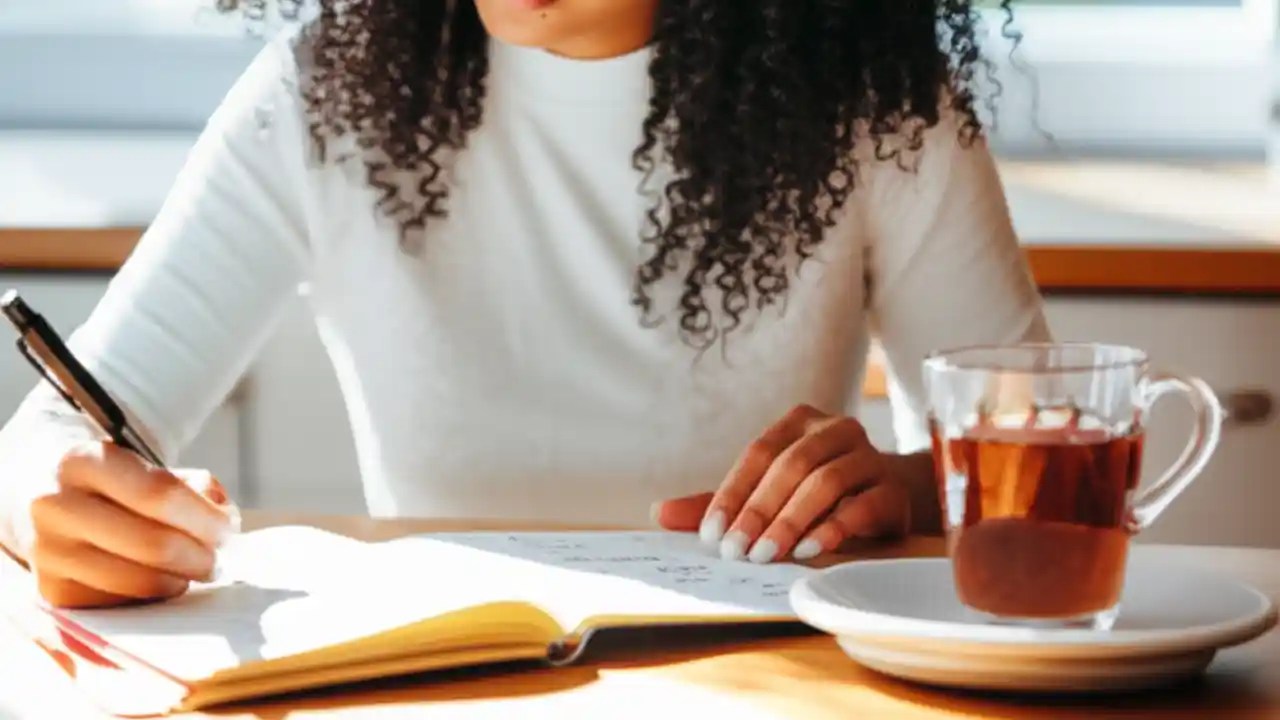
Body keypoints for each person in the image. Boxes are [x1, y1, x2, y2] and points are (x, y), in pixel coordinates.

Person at [0, 0, 1047, 609]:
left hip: (763, 690)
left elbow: (1042, 471)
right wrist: (54, 495)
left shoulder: (874, 104)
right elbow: (57, 429)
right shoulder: (326, 92)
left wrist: (902, 491)